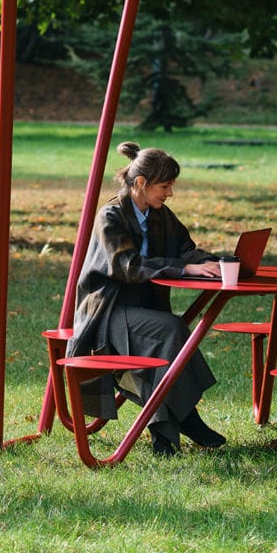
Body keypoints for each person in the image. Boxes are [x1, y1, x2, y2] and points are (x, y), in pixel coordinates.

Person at [67, 141, 228, 456]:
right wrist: (185, 268)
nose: (170, 193)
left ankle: (168, 434)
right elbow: (127, 266)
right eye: (165, 186)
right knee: (171, 330)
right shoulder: (110, 215)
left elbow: (185, 250)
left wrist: (217, 264)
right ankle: (184, 420)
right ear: (141, 182)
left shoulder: (160, 216)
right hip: (107, 312)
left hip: (142, 312)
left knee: (167, 338)